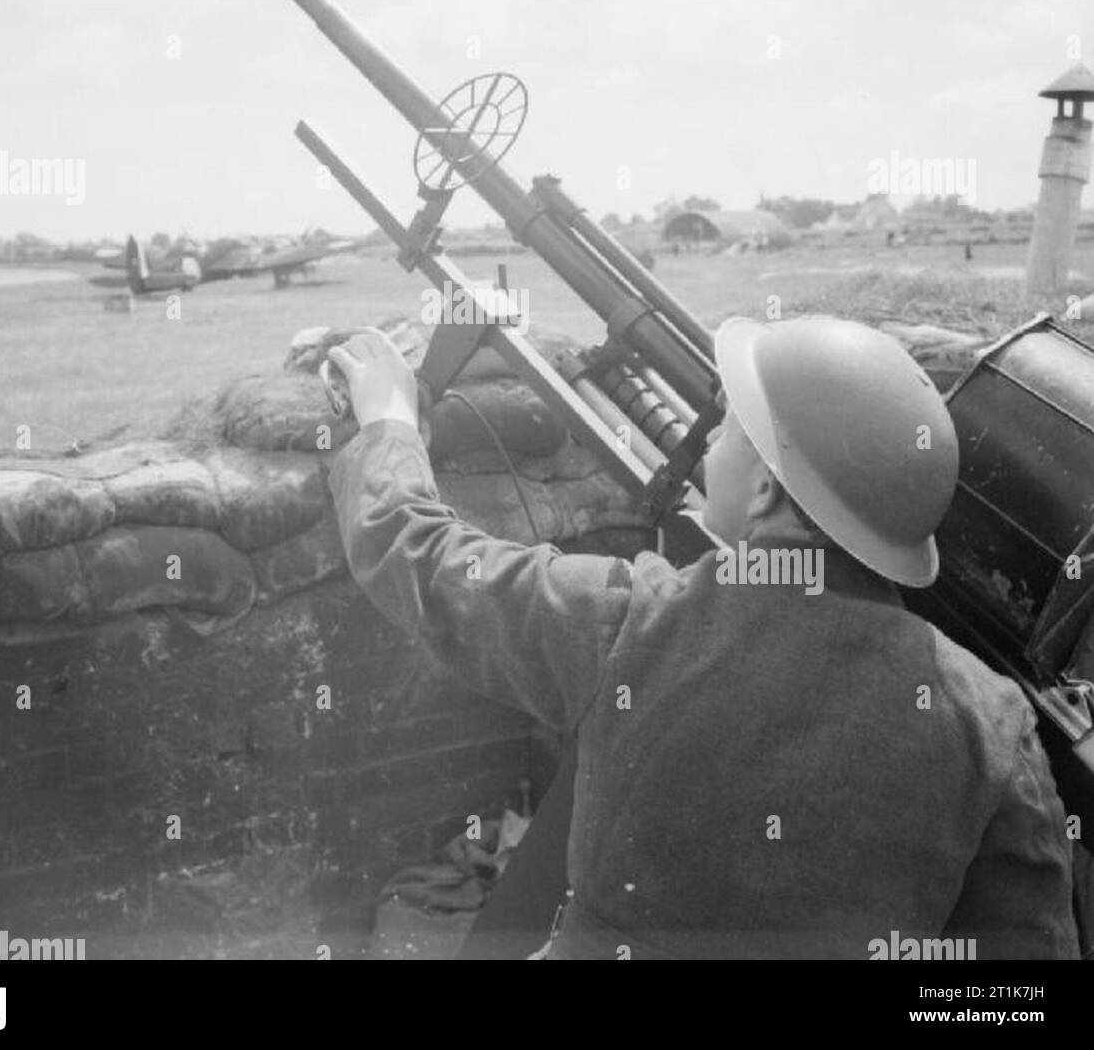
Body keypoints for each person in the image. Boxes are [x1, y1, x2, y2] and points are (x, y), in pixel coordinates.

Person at [326, 318, 1079, 960]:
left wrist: (388, 422)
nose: (708, 441)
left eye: (726, 431)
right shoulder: (991, 724)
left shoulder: (627, 624)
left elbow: (421, 560)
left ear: (762, 492)